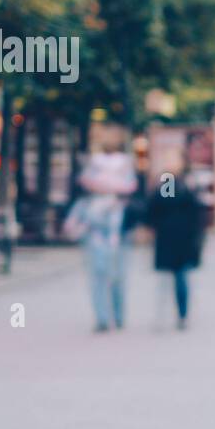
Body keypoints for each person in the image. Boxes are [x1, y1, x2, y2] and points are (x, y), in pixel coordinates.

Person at [66, 139, 136, 332]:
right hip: (100, 236)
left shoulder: (121, 175)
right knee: (104, 277)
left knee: (112, 277)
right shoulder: (91, 194)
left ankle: (114, 317)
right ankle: (105, 318)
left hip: (113, 236)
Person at [145, 153, 205, 330]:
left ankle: (178, 315)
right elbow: (164, 203)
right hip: (171, 236)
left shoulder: (180, 180)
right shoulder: (172, 181)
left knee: (178, 279)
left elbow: (176, 204)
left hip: (179, 237)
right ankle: (170, 316)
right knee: (170, 279)